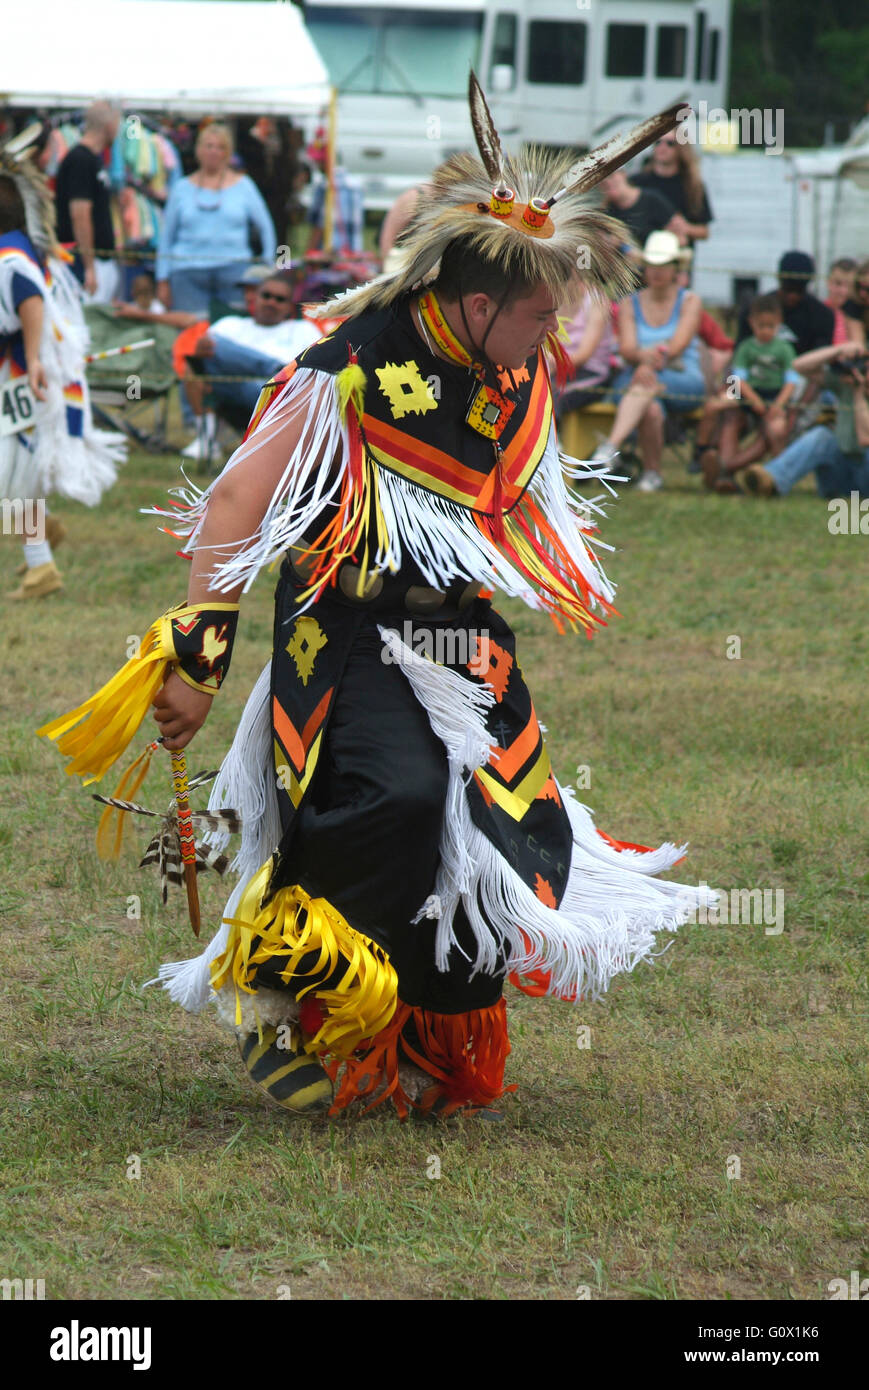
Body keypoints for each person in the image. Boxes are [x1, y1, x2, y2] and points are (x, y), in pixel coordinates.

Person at [41, 83, 713, 1120]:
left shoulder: (507, 374)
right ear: (478, 303)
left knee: (497, 830)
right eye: (540, 314)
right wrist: (193, 656)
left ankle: (424, 1035)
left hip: (453, 635)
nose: (553, 335)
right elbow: (231, 502)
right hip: (343, 628)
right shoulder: (344, 369)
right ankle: (287, 995)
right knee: (389, 801)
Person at [1, 128, 124, 599]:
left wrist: (32, 360)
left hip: (26, 373)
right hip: (30, 370)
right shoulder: (20, 246)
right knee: (16, 471)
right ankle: (39, 554)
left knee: (12, 470)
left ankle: (39, 551)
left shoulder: (9, 256)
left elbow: (29, 302)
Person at [593, 230, 705, 492]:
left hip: (681, 378)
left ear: (676, 267)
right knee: (651, 408)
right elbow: (627, 348)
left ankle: (610, 447)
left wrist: (644, 361)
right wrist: (645, 361)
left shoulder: (690, 301)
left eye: (663, 265)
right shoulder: (630, 303)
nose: (656, 271)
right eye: (652, 265)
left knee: (644, 384)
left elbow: (677, 347)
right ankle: (652, 474)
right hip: (639, 377)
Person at [182, 270, 319, 439]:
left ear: (289, 307)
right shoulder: (229, 325)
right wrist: (201, 350)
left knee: (263, 386)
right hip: (232, 390)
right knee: (213, 345)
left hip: (282, 397)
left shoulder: (304, 330)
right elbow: (202, 362)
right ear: (256, 298)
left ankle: (276, 375)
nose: (271, 302)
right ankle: (277, 370)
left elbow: (317, 370)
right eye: (266, 296)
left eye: (280, 299)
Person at [155, 123, 276, 316]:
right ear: (198, 150)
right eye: (208, 146)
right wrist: (162, 279)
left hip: (234, 272)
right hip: (187, 273)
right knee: (191, 335)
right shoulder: (181, 188)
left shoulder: (244, 186)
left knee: (232, 332)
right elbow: (166, 238)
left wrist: (267, 269)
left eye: (220, 147)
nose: (213, 152)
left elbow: (267, 229)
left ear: (228, 153)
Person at [695, 293, 802, 488]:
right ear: (752, 323)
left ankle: (771, 478)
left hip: (775, 397)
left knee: (774, 431)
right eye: (761, 326)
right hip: (749, 396)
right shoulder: (746, 348)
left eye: (771, 326)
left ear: (779, 323)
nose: (766, 331)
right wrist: (753, 400)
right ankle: (723, 476)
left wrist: (779, 404)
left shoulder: (785, 349)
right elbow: (738, 378)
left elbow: (791, 380)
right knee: (730, 420)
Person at [742, 341, 869, 498]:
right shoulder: (850, 383)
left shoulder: (856, 388)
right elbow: (799, 366)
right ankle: (770, 480)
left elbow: (865, 439)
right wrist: (838, 351)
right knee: (822, 435)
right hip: (842, 473)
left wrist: (858, 394)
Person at [54, 101, 121, 303]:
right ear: (109, 126)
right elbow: (80, 214)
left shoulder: (93, 159)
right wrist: (89, 267)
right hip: (83, 263)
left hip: (96, 261)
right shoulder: (80, 160)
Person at [736, 251, 834, 357]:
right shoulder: (755, 310)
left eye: (799, 290)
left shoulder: (822, 315)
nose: (793, 295)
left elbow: (820, 357)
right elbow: (741, 351)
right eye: (788, 288)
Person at [632, 133, 712, 253]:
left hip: (678, 262)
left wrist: (685, 228)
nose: (662, 147)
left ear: (681, 149)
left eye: (670, 143)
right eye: (657, 142)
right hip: (641, 259)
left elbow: (704, 231)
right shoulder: (637, 182)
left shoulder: (692, 186)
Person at [306, 129, 365, 255]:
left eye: (318, 161)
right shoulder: (355, 185)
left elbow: (319, 225)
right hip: (353, 252)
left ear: (325, 161)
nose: (316, 165)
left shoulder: (325, 186)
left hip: (329, 253)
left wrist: (309, 251)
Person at [599, 167, 676, 251]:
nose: (607, 181)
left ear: (623, 174)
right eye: (601, 181)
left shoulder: (652, 200)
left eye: (611, 176)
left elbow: (679, 235)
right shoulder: (604, 215)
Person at [825, 258, 857, 345]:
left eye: (850, 285)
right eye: (838, 283)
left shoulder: (860, 315)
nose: (844, 291)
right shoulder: (817, 312)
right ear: (828, 282)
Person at [841, 257, 869, 349]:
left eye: (867, 289)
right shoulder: (854, 305)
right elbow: (858, 345)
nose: (862, 294)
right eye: (859, 286)